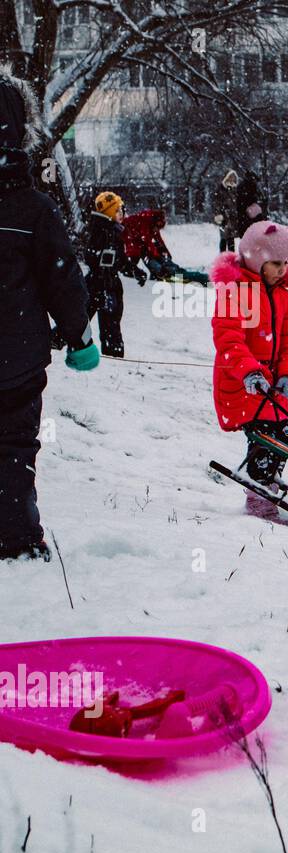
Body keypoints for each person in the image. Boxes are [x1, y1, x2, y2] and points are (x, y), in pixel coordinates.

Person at [0, 73, 98, 561]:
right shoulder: (34, 209)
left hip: (16, 352)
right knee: (14, 444)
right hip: (15, 357)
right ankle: (14, 535)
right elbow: (61, 277)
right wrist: (78, 335)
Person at [209, 220, 288, 495]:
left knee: (284, 437)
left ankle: (270, 486)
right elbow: (228, 338)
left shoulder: (283, 296)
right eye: (276, 263)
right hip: (244, 382)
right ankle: (258, 498)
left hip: (272, 386)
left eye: (286, 262)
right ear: (257, 259)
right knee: (265, 441)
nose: (283, 270)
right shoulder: (235, 291)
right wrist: (250, 371)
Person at [81, 191, 146, 358]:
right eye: (118, 210)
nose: (122, 214)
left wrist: (135, 271)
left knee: (109, 318)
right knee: (96, 318)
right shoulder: (101, 232)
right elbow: (91, 255)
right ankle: (113, 352)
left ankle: (113, 351)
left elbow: (121, 260)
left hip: (109, 283)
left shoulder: (114, 232)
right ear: (109, 212)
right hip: (100, 283)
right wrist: (102, 268)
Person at [121, 208, 209, 284]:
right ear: (156, 223)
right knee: (135, 257)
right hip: (132, 238)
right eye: (157, 227)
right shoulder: (144, 223)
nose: (157, 230)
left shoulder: (152, 223)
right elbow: (146, 241)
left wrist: (166, 253)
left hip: (140, 243)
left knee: (170, 266)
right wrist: (156, 256)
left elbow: (159, 240)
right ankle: (131, 276)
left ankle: (203, 278)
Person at [234, 169, 268, 236]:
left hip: (248, 215)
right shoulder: (248, 187)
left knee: (249, 236)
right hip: (247, 215)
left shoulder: (252, 187)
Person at [215, 169, 239, 252]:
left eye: (233, 177)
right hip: (224, 217)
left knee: (231, 240)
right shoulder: (221, 189)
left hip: (232, 218)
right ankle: (222, 259)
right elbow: (217, 203)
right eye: (230, 177)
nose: (232, 179)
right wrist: (219, 214)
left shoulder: (235, 189)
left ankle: (231, 258)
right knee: (224, 239)